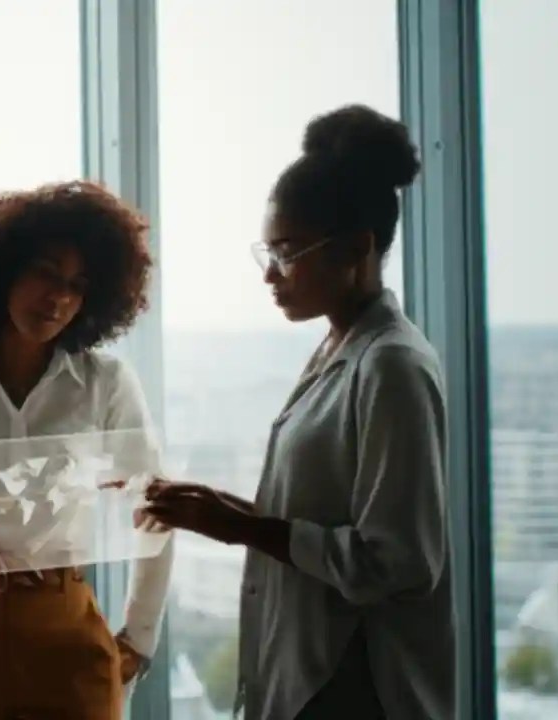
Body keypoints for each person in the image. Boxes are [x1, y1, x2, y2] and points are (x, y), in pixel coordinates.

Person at [143, 105, 454, 719]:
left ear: (356, 249)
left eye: (286, 251)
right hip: (314, 676)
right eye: (268, 249)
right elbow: (322, 523)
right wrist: (221, 509)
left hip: (358, 688)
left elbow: (397, 562)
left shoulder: (392, 365)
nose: (269, 274)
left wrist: (243, 529)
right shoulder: (339, 348)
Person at [0, 180, 174, 719]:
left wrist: (138, 638)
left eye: (77, 283)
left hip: (64, 628)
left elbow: (155, 513)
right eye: (45, 271)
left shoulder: (106, 382)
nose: (59, 297)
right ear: (3, 269)